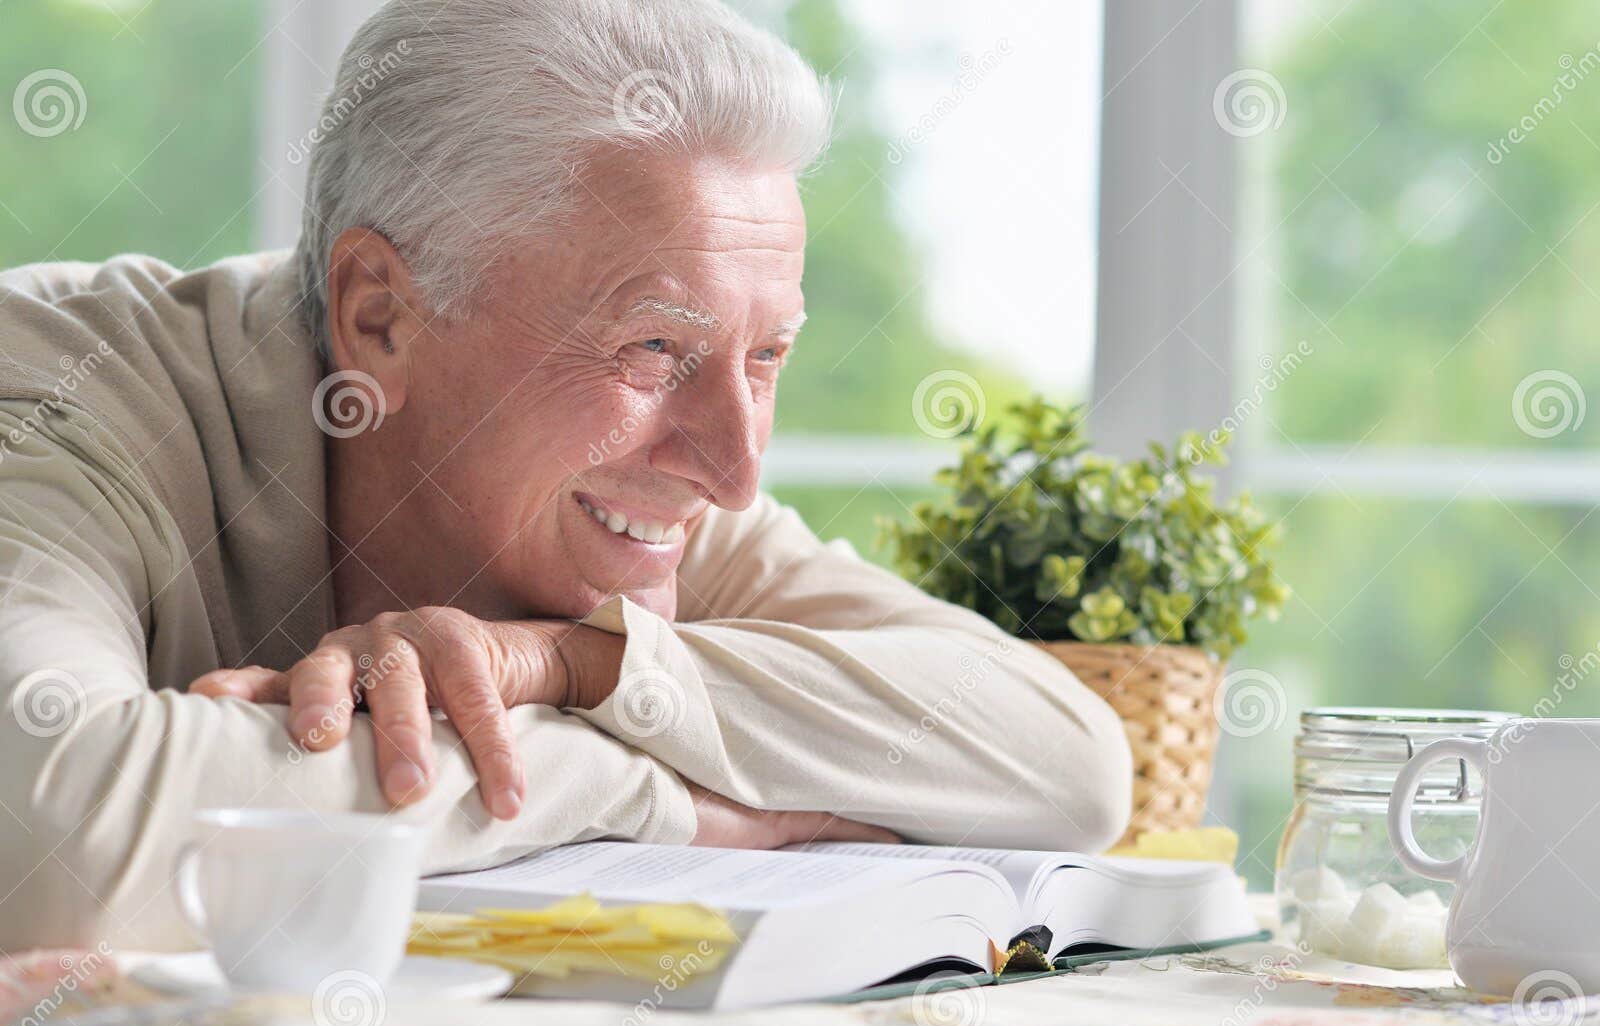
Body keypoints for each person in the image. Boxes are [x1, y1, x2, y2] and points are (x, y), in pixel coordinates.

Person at [0, 0, 1131, 950]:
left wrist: (567, 668)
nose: (734, 469)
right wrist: (648, 788)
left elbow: (1066, 764)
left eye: (767, 355)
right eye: (652, 347)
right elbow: (58, 847)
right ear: (380, 317)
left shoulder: (635, 498)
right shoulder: (58, 393)